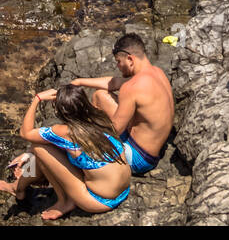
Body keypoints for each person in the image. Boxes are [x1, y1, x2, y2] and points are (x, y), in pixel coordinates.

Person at [0, 85, 130, 219]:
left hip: (98, 200)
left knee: (38, 148)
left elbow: (26, 133)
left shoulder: (66, 131)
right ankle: (19, 185)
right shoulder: (98, 117)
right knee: (38, 150)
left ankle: (64, 201)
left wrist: (36, 99)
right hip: (123, 191)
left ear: (60, 112)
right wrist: (28, 154)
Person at [71, 34, 174, 175]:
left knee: (74, 151)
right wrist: (79, 82)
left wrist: (82, 129)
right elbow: (113, 83)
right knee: (100, 96)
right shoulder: (157, 73)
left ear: (130, 59)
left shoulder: (132, 87)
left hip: (138, 159)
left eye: (119, 61)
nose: (118, 66)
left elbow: (115, 130)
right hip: (152, 149)